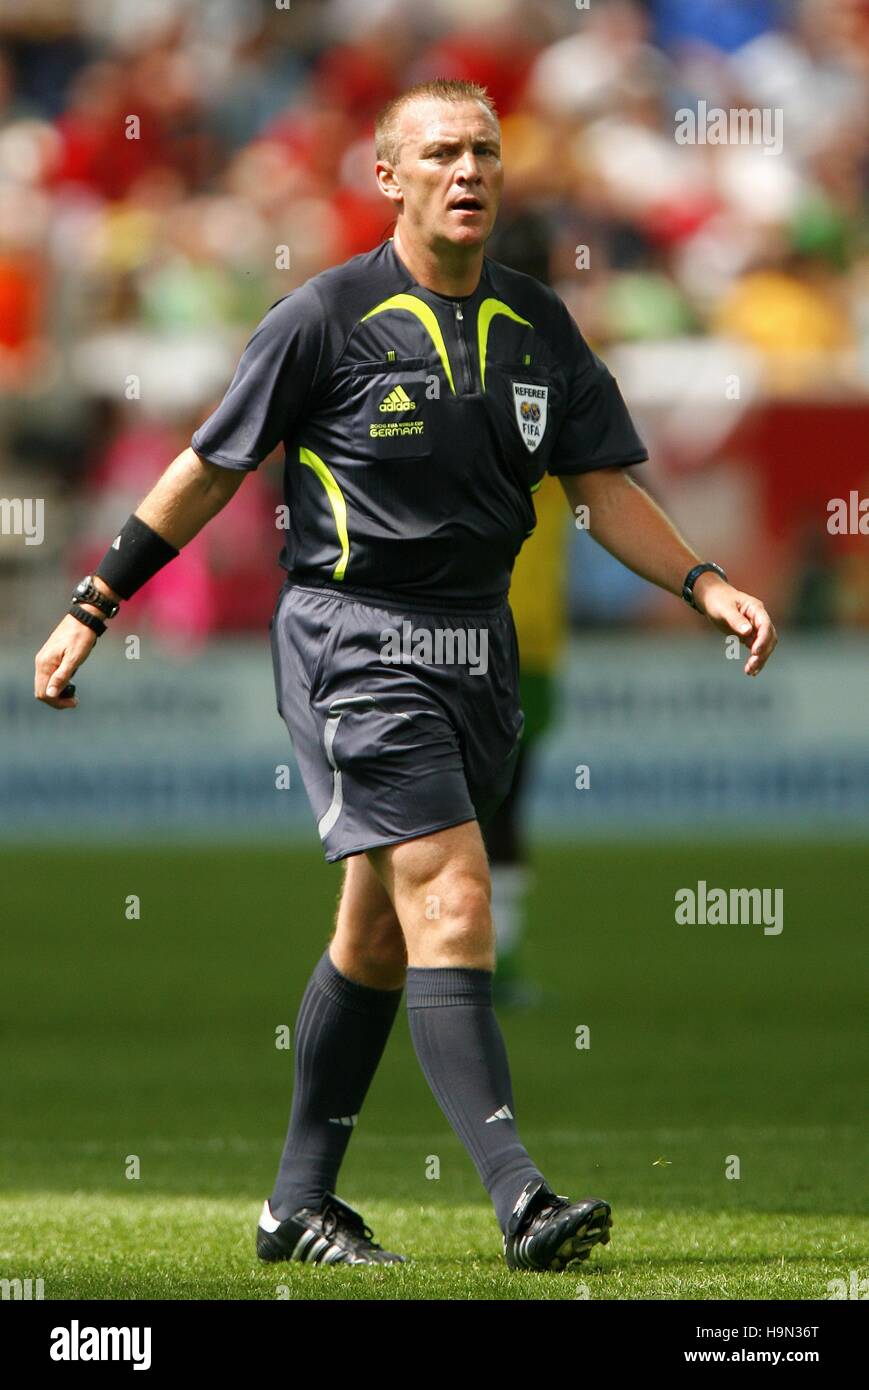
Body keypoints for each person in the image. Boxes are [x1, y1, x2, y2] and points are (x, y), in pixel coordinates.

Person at [34, 78, 778, 1273]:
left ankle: (295, 1204)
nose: (468, 171)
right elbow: (206, 467)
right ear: (387, 176)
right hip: (351, 637)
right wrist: (93, 603)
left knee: (377, 938)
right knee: (451, 892)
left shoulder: (536, 323)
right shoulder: (322, 317)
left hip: (477, 646)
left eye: (483, 150)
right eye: (439, 153)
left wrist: (701, 581)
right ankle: (521, 1197)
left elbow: (600, 487)